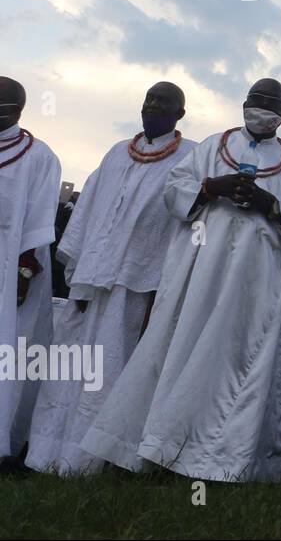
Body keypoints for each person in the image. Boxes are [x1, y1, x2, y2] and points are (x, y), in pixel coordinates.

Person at [81, 79, 281, 481]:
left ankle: (223, 460)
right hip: (199, 277)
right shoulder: (212, 147)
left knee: (237, 362)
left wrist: (270, 203)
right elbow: (174, 190)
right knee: (181, 349)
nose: (261, 108)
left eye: (270, 103)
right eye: (256, 100)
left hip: (254, 287)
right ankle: (162, 448)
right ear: (243, 103)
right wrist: (211, 188)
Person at [25, 83, 195, 475]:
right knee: (68, 368)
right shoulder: (118, 151)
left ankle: (91, 462)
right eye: (149, 99)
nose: (152, 106)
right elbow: (87, 207)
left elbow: (180, 221)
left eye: (163, 102)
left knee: (110, 372)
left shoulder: (190, 156)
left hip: (136, 283)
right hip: (90, 277)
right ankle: (43, 453)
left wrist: (162, 285)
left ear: (180, 113)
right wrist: (78, 266)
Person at [0, 77, 61, 465]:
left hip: (12, 264)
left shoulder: (39, 156)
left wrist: (23, 273)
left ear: (16, 110)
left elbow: (39, 220)